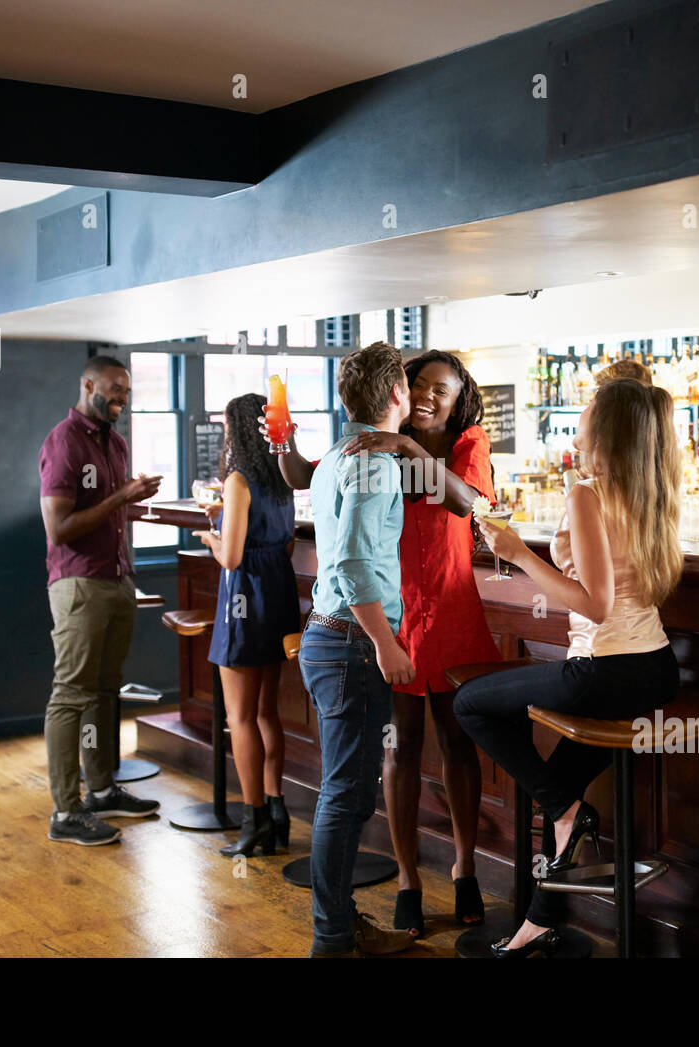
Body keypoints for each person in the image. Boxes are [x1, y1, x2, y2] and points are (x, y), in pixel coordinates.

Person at [268, 350, 499, 937]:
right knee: (397, 749)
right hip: (384, 618)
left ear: (458, 397)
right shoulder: (371, 448)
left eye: (440, 390)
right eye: (418, 384)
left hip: (444, 609)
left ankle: (464, 867)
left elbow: (467, 502)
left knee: (456, 743)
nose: (426, 396)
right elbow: (307, 474)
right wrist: (282, 438)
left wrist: (407, 449)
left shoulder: (463, 442)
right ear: (399, 390)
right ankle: (405, 879)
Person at [454, 378, 683, 956]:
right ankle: (538, 918)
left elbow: (596, 603)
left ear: (605, 427)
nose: (580, 416)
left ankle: (564, 809)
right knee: (566, 793)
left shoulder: (589, 493)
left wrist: (517, 555)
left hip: (604, 669)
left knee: (469, 703)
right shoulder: (652, 488)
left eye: (589, 409)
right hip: (655, 668)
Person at [300, 341, 416, 958]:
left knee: (345, 793)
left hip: (326, 638)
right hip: (350, 644)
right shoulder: (374, 463)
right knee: (346, 796)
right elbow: (350, 560)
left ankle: (340, 926)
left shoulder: (337, 457)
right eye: (408, 385)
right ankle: (332, 939)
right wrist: (385, 642)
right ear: (396, 392)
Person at [38, 355, 162, 845]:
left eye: (126, 392)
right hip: (78, 584)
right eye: (113, 389)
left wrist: (128, 498)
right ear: (87, 383)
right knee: (71, 696)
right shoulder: (62, 442)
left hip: (116, 580)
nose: (121, 399)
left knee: (106, 692)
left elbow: (111, 514)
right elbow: (59, 529)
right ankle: (66, 813)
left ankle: (103, 790)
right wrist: (121, 498)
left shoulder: (116, 443)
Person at [191, 392, 300, 858]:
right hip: (278, 595)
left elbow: (232, 558)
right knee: (266, 712)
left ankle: (252, 818)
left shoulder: (237, 480)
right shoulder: (283, 477)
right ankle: (277, 809)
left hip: (243, 599)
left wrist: (212, 537)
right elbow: (289, 545)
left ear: (234, 430)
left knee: (239, 716)